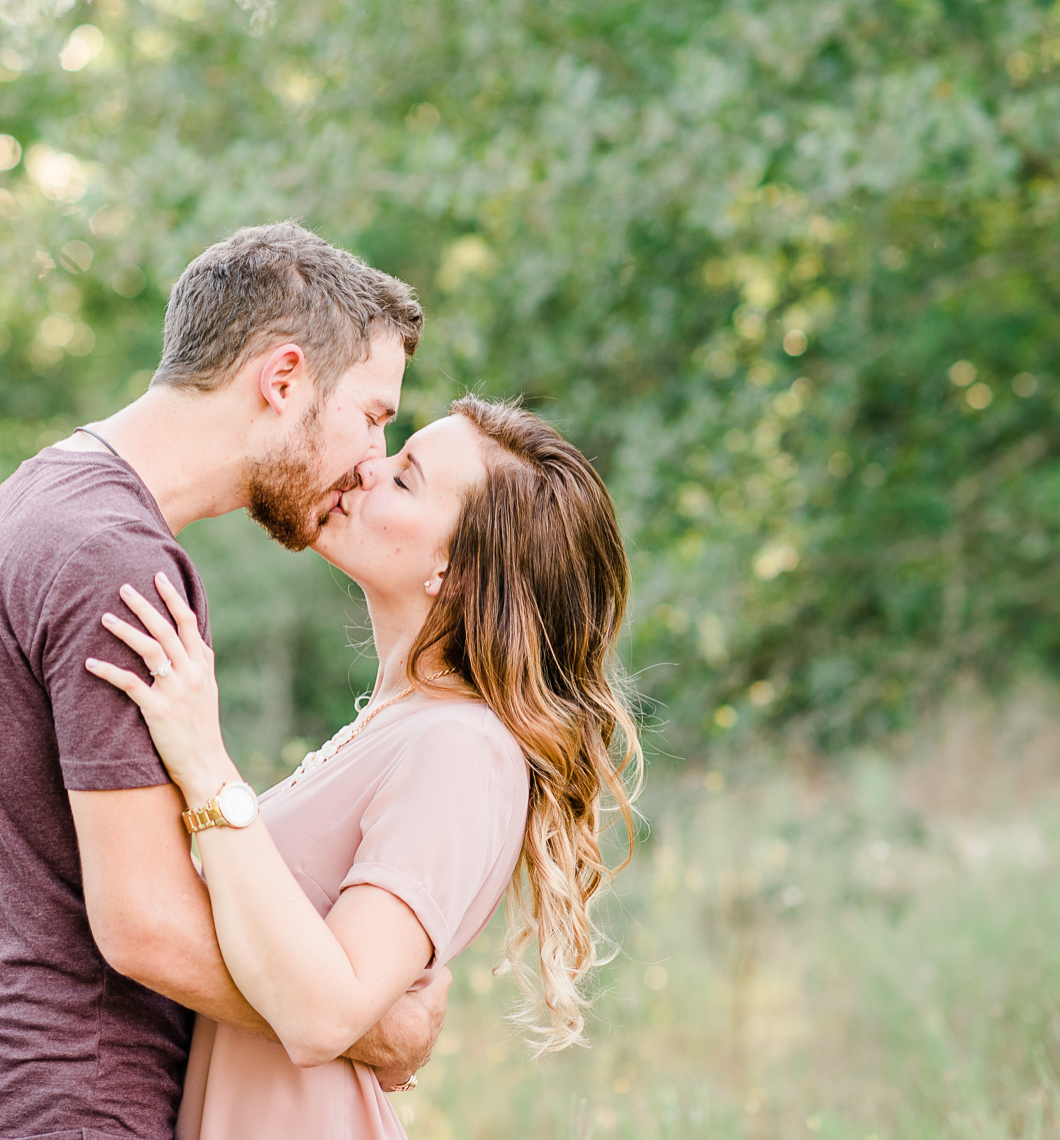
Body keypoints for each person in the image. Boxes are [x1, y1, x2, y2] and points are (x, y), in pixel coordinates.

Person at [0, 223, 451, 1140]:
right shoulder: (117, 559)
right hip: (65, 1104)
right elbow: (141, 924)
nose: (371, 459)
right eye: (374, 415)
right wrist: (369, 1028)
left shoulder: (25, 506)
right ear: (283, 379)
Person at [88, 396, 643, 1139]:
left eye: (405, 479)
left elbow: (323, 1014)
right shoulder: (400, 726)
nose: (368, 469)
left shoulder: (462, 748)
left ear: (458, 574)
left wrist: (204, 760)